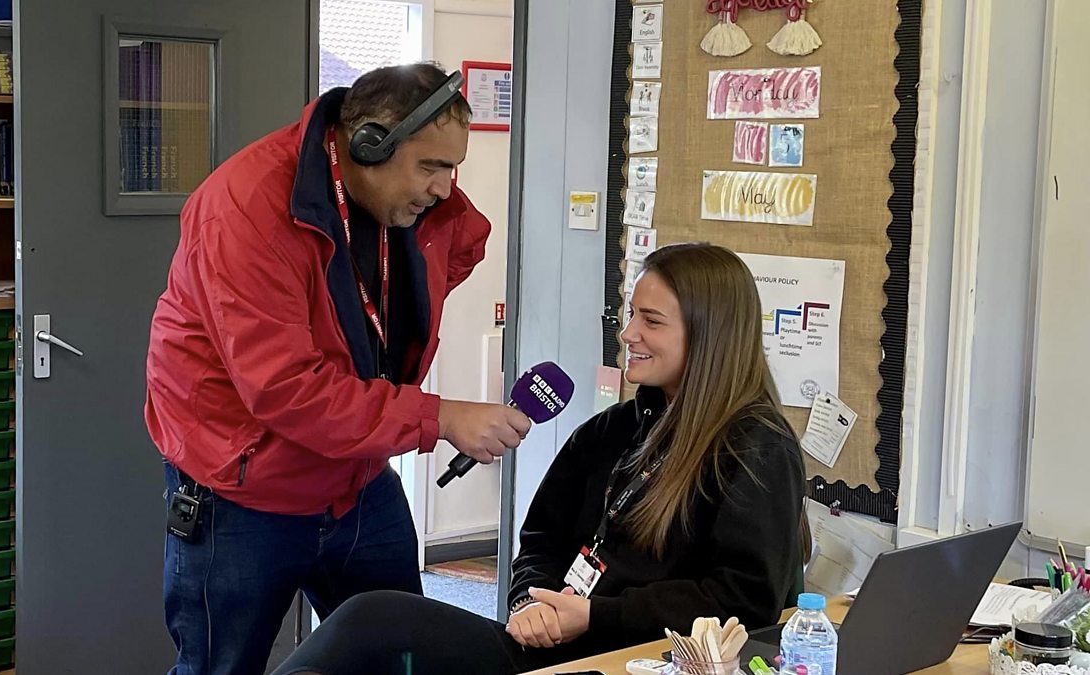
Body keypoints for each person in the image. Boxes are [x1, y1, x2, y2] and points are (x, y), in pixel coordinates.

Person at [144, 62, 533, 674]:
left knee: (400, 653)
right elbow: (286, 389)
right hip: (244, 487)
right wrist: (439, 417)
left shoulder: (409, 208)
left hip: (356, 478)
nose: (444, 188)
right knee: (220, 668)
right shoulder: (243, 209)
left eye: (452, 167)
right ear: (368, 143)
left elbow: (457, 248)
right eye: (431, 167)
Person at [273, 242, 808, 675]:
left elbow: (745, 598)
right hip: (556, 646)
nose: (628, 335)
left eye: (652, 321)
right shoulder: (611, 431)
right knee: (370, 619)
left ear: (709, 336)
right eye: (629, 315)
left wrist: (594, 616)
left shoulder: (756, 449)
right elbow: (542, 540)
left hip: (636, 659)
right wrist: (530, 602)